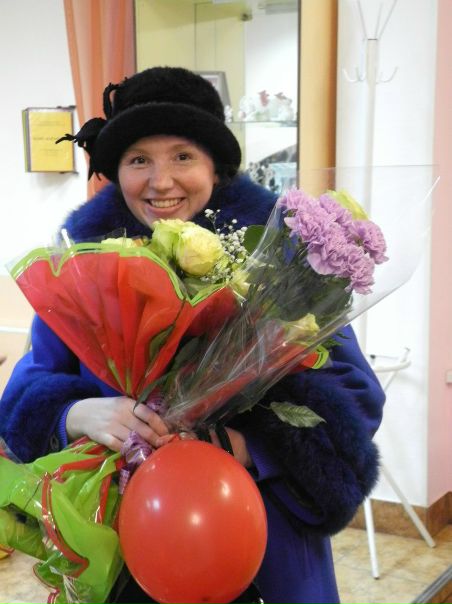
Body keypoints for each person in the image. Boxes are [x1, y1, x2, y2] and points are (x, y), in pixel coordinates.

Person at [0, 66, 385, 604]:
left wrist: (249, 445)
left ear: (215, 167)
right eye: (139, 160)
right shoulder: (80, 266)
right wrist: (76, 413)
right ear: (116, 171)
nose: (160, 182)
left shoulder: (280, 257)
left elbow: (355, 393)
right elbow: (30, 384)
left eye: (182, 156)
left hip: (260, 536)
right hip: (123, 543)